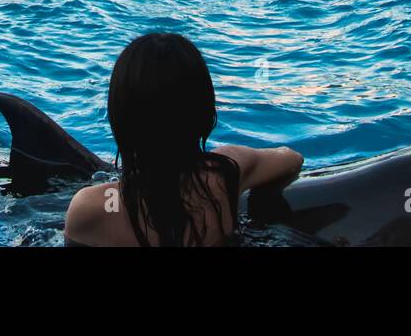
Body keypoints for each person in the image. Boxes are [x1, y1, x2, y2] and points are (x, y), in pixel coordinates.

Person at [64, 33, 303, 246]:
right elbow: (292, 159)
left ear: (121, 117)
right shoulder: (224, 175)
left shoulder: (93, 208)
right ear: (204, 112)